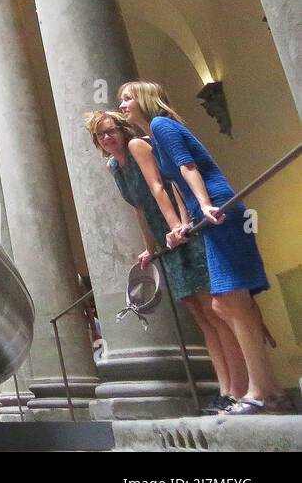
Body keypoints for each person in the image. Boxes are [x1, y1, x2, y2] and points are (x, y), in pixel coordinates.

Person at [119, 81, 290, 415]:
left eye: (127, 98)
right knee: (224, 305)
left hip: (218, 208)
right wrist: (182, 223)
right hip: (208, 212)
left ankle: (262, 392)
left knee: (230, 300)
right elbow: (177, 182)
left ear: (144, 99)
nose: (122, 105)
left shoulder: (160, 125)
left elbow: (188, 166)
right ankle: (269, 389)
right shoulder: (155, 134)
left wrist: (206, 204)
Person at [86, 108, 245, 414]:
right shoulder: (113, 167)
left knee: (216, 311)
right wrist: (150, 247)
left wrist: (178, 223)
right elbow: (139, 209)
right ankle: (225, 390)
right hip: (167, 239)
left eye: (111, 131)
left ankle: (238, 389)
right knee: (202, 318)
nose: (107, 138)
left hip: (183, 232)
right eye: (100, 134)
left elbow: (165, 184)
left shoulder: (137, 146)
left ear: (122, 130)